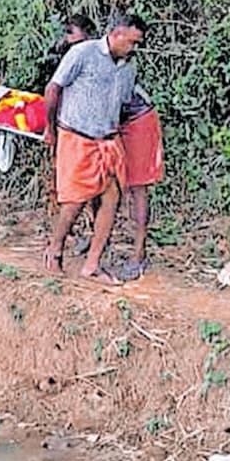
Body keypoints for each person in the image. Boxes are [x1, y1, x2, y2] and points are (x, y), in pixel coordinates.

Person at [42, 15, 148, 285]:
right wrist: (50, 129)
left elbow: (123, 105)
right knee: (74, 203)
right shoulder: (83, 53)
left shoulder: (127, 69)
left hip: (108, 142)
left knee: (111, 198)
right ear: (117, 34)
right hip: (77, 138)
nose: (134, 48)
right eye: (132, 42)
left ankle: (92, 264)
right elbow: (53, 88)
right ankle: (55, 251)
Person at [116, 85, 164, 281]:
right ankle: (98, 241)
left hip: (137, 119)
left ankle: (138, 253)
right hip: (115, 118)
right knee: (102, 181)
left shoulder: (109, 58)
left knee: (138, 187)